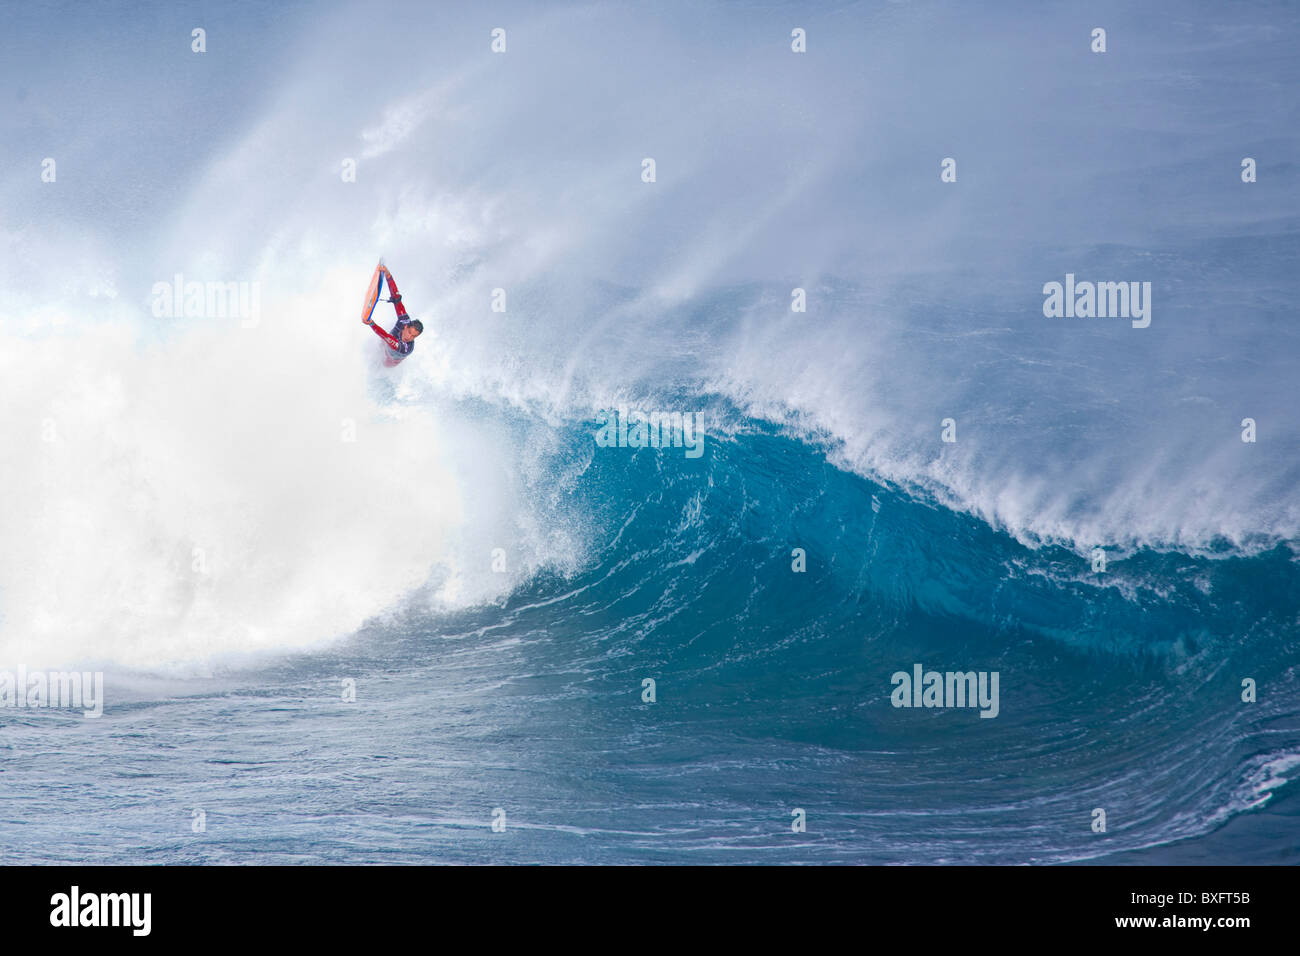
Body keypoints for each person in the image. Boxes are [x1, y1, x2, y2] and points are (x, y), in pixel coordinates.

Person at [364, 268, 423, 366]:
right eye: (409, 333)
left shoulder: (404, 348)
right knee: (379, 346)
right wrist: (388, 275)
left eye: (414, 336)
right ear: (406, 326)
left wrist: (371, 323)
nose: (409, 337)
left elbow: (386, 337)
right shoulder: (404, 320)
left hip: (391, 360)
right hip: (387, 343)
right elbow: (396, 298)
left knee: (382, 364)